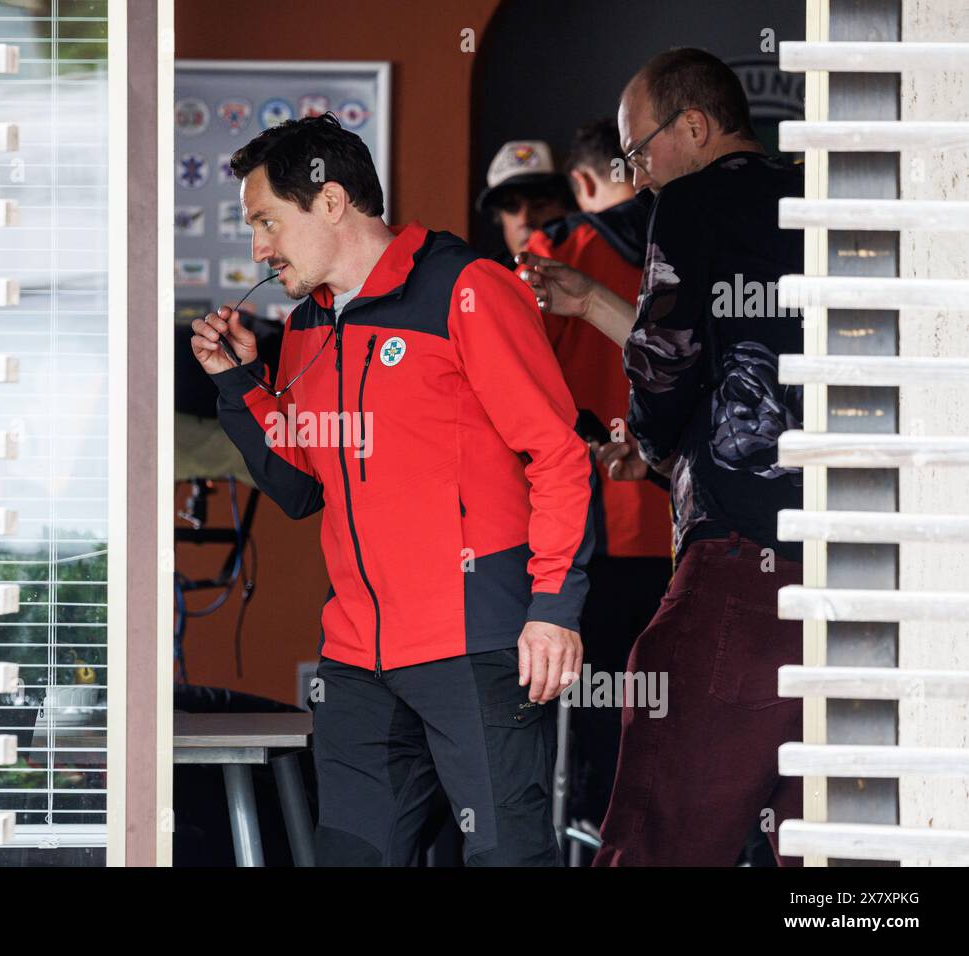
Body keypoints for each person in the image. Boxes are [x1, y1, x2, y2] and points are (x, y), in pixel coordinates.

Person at [189, 113, 594, 866]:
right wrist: (238, 386)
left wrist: (552, 610)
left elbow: (559, 453)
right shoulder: (309, 324)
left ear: (332, 202)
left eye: (267, 221)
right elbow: (303, 484)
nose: (258, 248)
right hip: (356, 657)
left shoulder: (467, 289)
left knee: (507, 857)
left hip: (476, 641)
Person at [523, 48, 806, 866]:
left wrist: (646, 439)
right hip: (855, 580)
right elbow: (738, 355)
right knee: (821, 850)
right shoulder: (813, 201)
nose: (637, 177)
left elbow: (667, 365)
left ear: (693, 125)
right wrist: (593, 302)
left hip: (738, 568)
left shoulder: (687, 202)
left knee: (660, 834)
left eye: (638, 151)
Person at [518, 120, 673, 834]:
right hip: (689, 520)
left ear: (582, 184)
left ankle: (596, 831)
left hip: (594, 523)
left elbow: (517, 381)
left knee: (592, 713)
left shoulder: (556, 251)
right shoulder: (694, 238)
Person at [475, 140, 576, 261]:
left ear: (568, 209)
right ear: (500, 218)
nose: (525, 220)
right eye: (511, 207)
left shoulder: (597, 269)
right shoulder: (489, 278)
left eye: (539, 205)